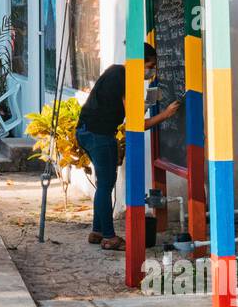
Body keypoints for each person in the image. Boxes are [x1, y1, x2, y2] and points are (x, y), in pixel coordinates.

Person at [76, 43, 180, 251]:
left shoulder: (116, 71)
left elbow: (126, 109)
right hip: (99, 135)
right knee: (106, 186)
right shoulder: (125, 78)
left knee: (103, 184)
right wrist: (166, 114)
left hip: (86, 132)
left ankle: (97, 231)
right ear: (141, 62)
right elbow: (136, 124)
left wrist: (147, 104)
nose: (152, 71)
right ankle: (109, 237)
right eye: (151, 65)